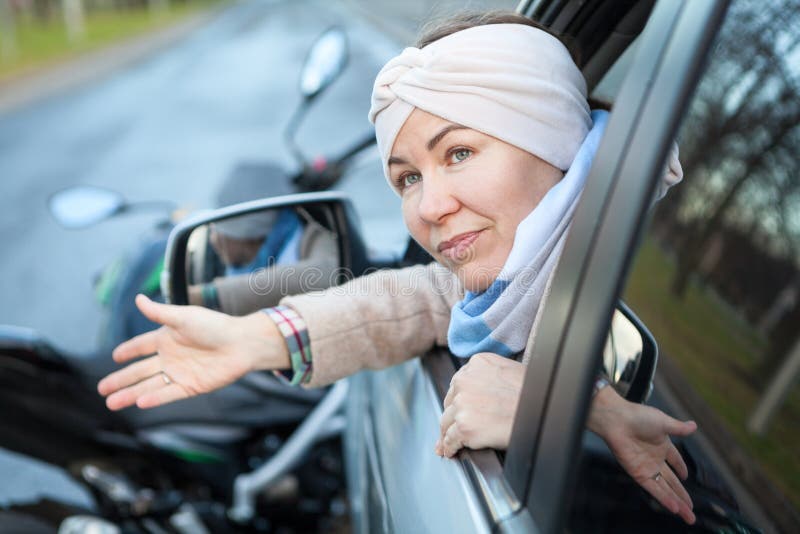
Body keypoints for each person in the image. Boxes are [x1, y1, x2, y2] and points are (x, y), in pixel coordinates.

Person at [98, 12, 696, 524]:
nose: (430, 208)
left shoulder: (649, 252)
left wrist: (554, 403)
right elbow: (421, 296)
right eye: (408, 177)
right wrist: (255, 337)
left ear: (554, 137)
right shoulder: (527, 267)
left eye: (459, 153)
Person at [186, 168, 338, 316]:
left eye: (222, 233)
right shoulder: (213, 256)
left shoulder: (314, 237)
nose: (214, 239)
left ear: (250, 237)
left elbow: (328, 273)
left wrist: (210, 296)